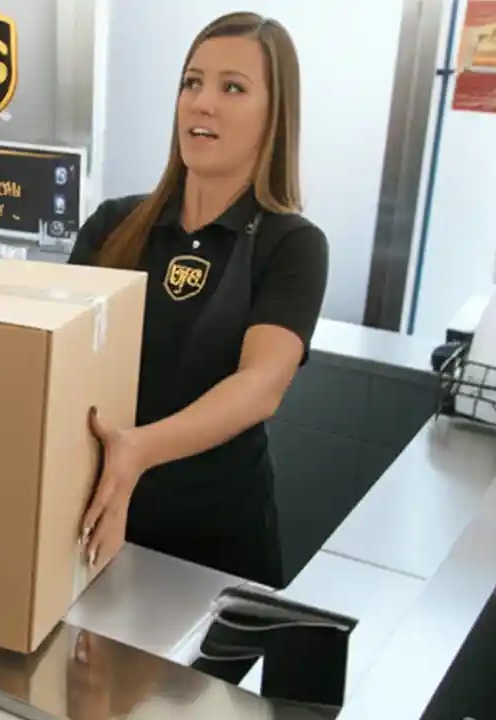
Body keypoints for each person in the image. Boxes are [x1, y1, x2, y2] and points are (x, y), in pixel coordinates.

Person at [72, 12, 328, 588]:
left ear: (274, 115)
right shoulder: (115, 224)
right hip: (95, 527)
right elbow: (60, 361)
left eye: (232, 87)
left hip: (215, 549)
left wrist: (138, 448)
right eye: (192, 82)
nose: (202, 103)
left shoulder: (293, 246)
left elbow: (260, 386)